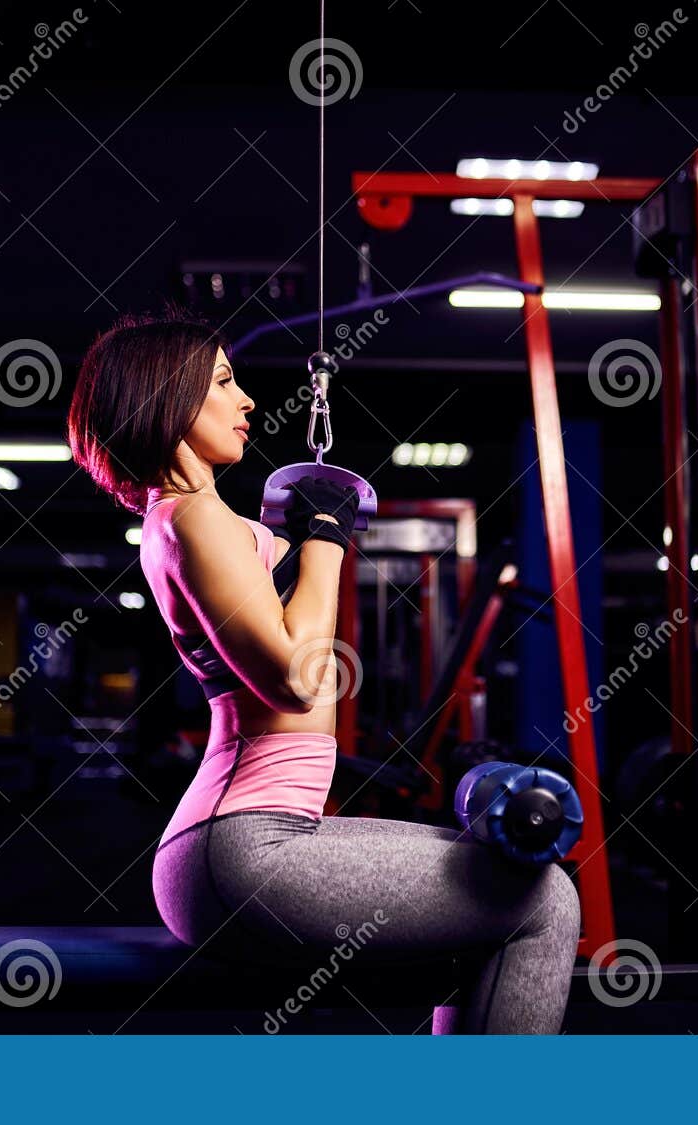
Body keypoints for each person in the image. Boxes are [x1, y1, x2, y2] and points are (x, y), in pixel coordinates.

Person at [65, 306, 580, 1033]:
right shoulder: (190, 518)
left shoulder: (201, 521)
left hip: (252, 838)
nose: (247, 400)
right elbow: (297, 677)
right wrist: (328, 538)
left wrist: (307, 536)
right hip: (245, 847)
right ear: (168, 398)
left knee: (500, 889)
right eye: (224, 381)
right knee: (543, 898)